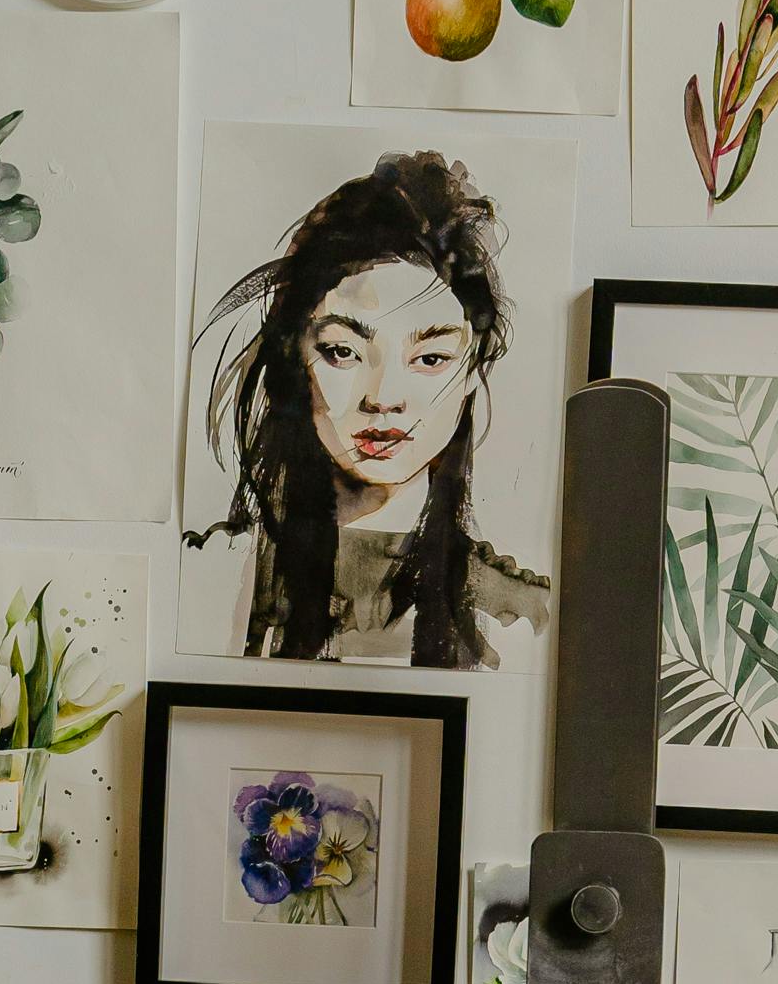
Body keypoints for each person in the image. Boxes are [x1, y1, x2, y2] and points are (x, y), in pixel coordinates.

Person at [188, 149, 550, 671]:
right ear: (296, 357)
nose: (383, 397)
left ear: (472, 369)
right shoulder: (214, 579)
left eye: (430, 357)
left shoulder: (519, 617)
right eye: (343, 352)